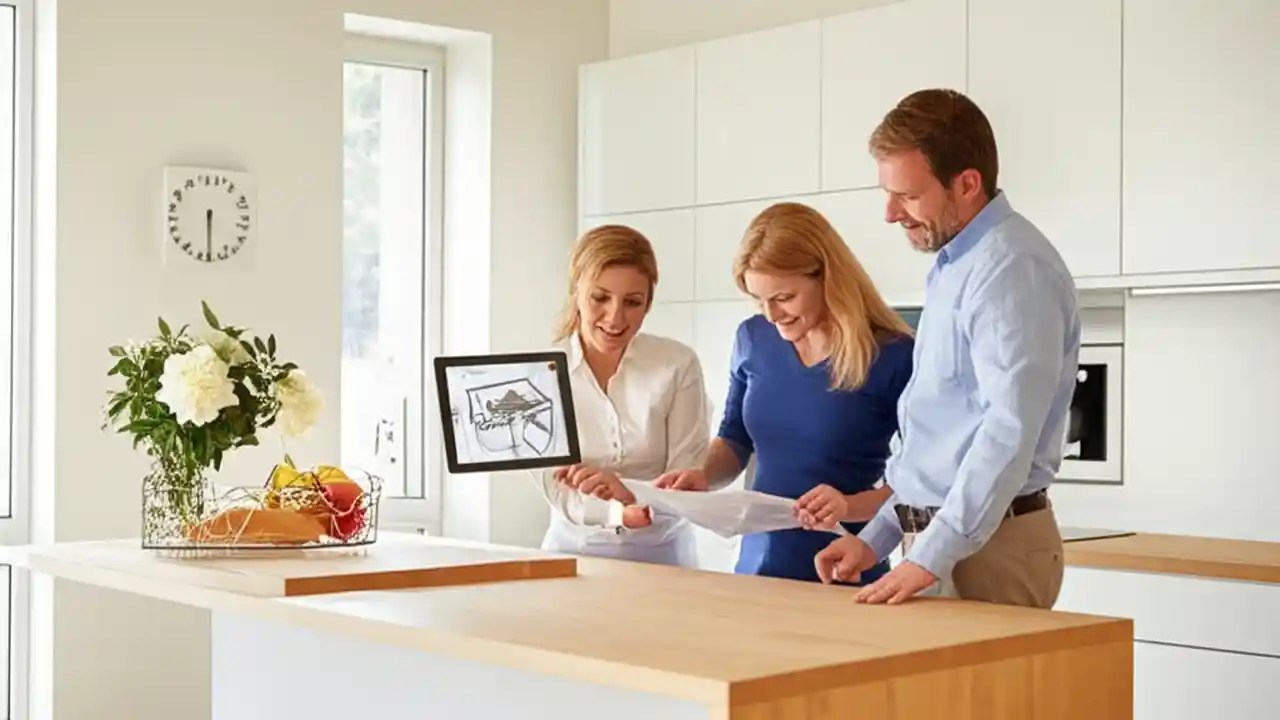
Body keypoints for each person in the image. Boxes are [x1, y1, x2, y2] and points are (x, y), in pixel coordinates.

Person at [814, 88, 1081, 609]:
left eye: (908, 195)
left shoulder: (1011, 269)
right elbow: (939, 446)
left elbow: (1007, 432)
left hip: (989, 552)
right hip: (946, 544)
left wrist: (928, 554)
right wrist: (877, 541)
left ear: (967, 184)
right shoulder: (957, 265)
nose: (891, 213)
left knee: (989, 696)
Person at [656, 202, 915, 584]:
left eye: (783, 298)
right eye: (758, 299)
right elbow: (735, 439)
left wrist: (847, 505)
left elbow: (918, 484)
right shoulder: (752, 338)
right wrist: (703, 476)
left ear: (828, 277)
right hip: (758, 570)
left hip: (844, 569)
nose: (772, 315)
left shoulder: (894, 356)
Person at [537, 224, 711, 567]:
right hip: (570, 558)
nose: (615, 318)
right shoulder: (540, 375)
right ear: (576, 291)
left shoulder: (677, 364)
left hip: (664, 561)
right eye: (599, 298)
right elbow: (558, 491)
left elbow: (684, 483)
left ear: (648, 304)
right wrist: (620, 510)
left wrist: (627, 495)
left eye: (633, 302)